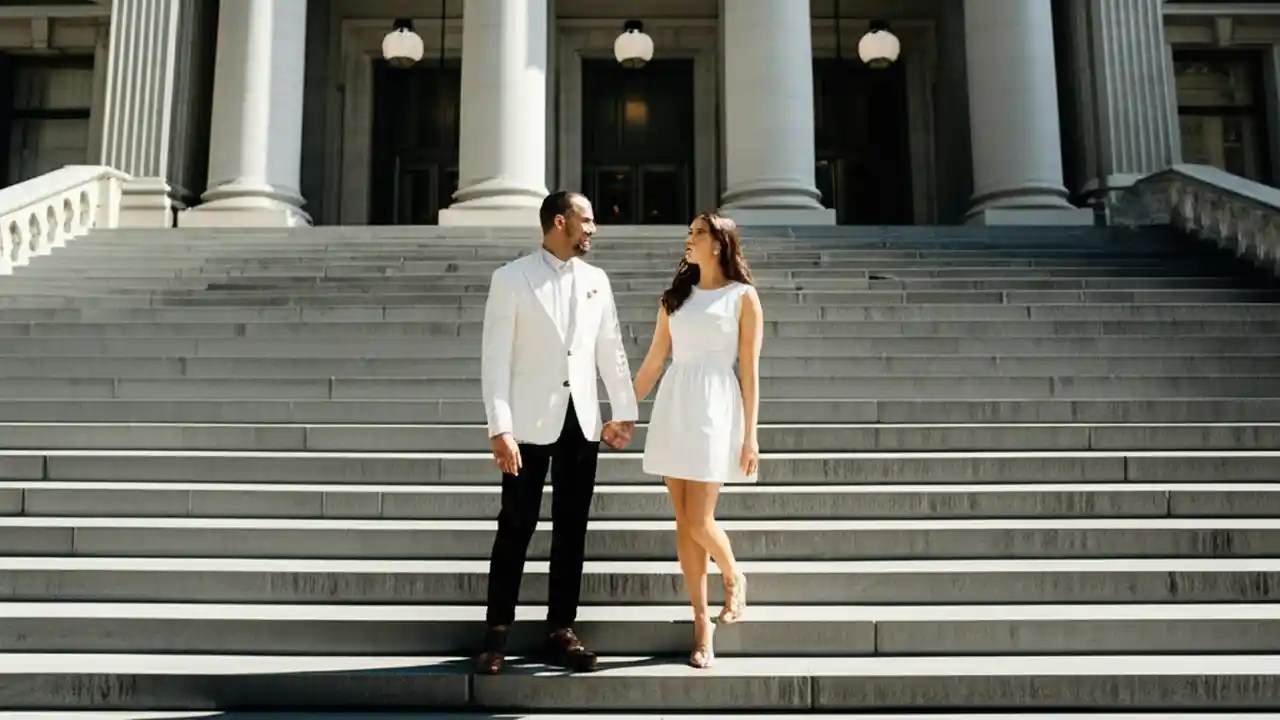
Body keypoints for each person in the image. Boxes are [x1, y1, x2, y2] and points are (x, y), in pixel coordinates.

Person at [476, 190, 638, 675]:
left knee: (572, 530)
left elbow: (611, 347)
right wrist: (499, 427)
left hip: (582, 421)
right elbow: (495, 359)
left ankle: (561, 629)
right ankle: (496, 631)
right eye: (586, 221)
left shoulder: (597, 280)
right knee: (516, 527)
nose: (593, 229)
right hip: (526, 424)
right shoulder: (511, 279)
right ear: (560, 221)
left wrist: (623, 409)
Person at [632, 211, 763, 669]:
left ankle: (733, 575)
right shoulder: (674, 299)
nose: (690, 239)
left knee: (699, 518)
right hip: (676, 404)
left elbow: (749, 371)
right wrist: (626, 410)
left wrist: (751, 435)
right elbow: (653, 360)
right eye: (688, 232)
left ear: (720, 243)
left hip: (717, 405)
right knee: (682, 520)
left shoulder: (743, 298)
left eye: (699, 233)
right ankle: (701, 623)